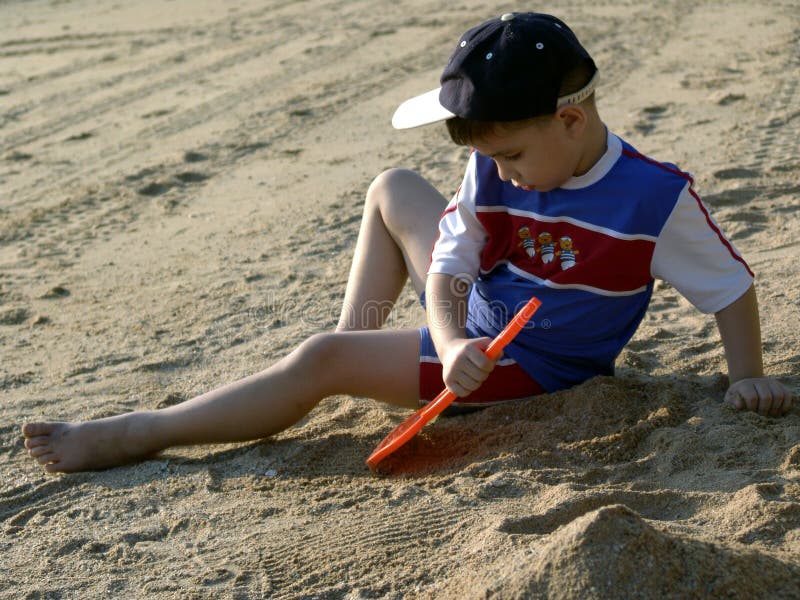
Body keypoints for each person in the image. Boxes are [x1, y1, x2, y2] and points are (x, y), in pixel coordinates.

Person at [22, 12, 792, 474]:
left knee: (319, 360)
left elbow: (728, 288)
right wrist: (450, 336)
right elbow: (455, 261)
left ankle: (136, 434)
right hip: (480, 322)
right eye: (487, 157)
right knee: (394, 186)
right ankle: (371, 345)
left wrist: (746, 376)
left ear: (571, 119)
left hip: (533, 359)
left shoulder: (653, 201)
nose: (498, 173)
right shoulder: (494, 168)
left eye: (512, 156)